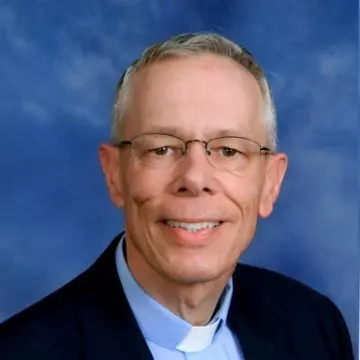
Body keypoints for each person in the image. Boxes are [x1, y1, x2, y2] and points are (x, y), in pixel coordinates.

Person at [0, 32, 354, 360]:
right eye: (161, 149)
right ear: (114, 175)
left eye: (229, 150)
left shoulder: (315, 327)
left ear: (270, 183)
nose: (195, 178)